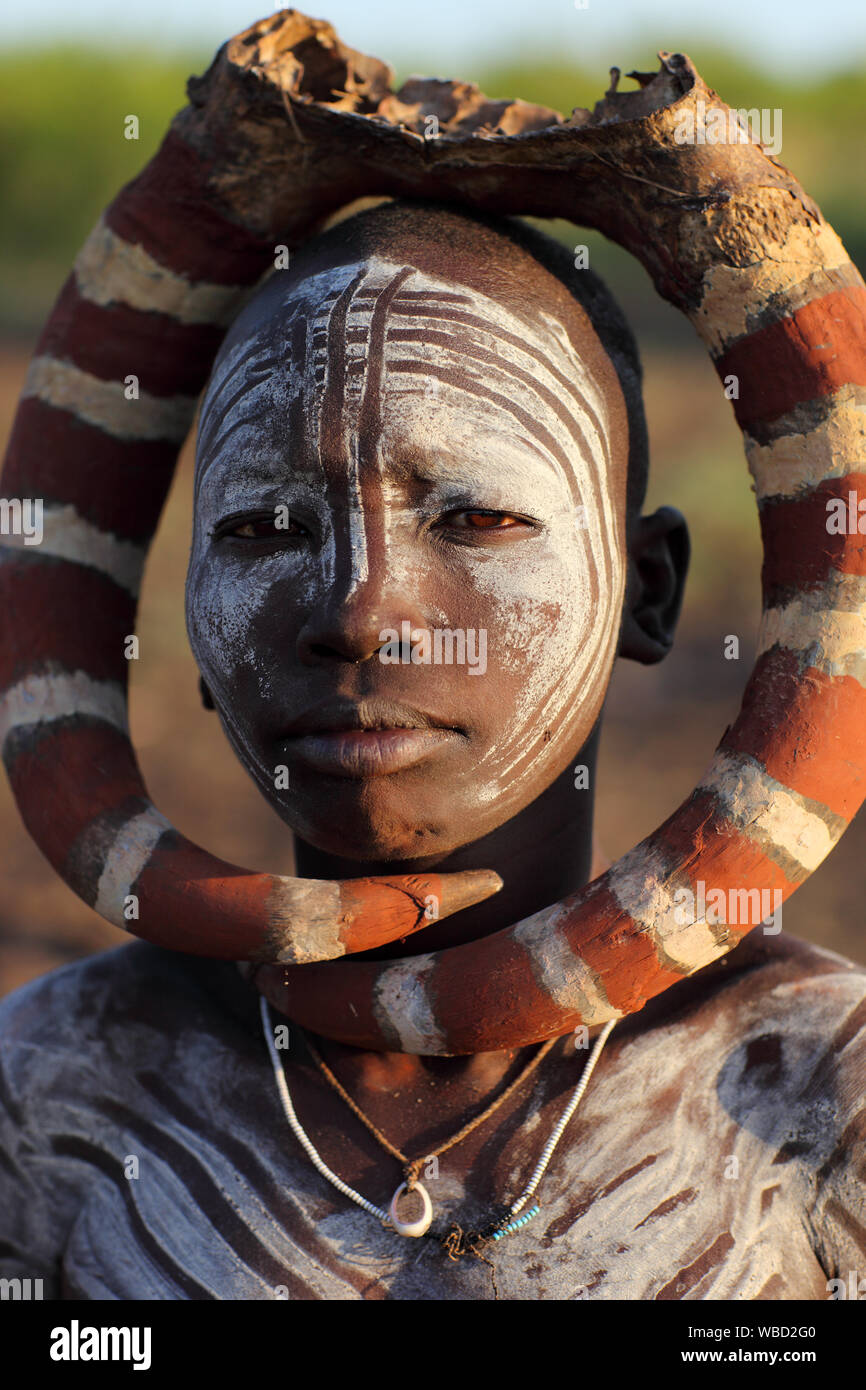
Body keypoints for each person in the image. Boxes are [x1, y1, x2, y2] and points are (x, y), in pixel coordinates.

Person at [1, 11, 865, 1297]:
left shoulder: (818, 1095)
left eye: (474, 517)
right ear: (181, 613)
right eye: (262, 528)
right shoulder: (55, 1087)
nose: (355, 611)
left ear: (649, 590)